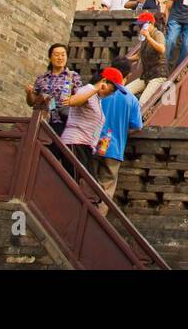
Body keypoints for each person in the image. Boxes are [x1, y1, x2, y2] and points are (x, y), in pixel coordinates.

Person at [92, 67, 142, 211]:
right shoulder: (130, 99)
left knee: (87, 181)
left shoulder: (97, 92)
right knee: (106, 189)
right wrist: (124, 132)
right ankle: (97, 219)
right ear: (127, 76)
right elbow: (137, 126)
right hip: (114, 147)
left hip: (93, 143)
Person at [60, 71, 114, 178]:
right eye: (112, 90)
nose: (111, 94)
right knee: (79, 184)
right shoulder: (88, 90)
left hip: (86, 147)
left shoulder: (98, 99)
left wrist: (98, 141)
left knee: (89, 185)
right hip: (75, 142)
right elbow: (72, 102)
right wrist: (96, 89)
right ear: (103, 81)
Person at [25, 43, 81, 136]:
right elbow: (31, 102)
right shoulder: (42, 78)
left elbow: (79, 98)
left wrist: (71, 100)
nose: (60, 57)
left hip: (63, 121)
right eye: (56, 55)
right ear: (50, 58)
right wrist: (29, 93)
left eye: (63, 55)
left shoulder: (73, 76)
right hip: (42, 120)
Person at [125, 12, 169, 106]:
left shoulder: (157, 34)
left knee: (142, 103)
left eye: (142, 25)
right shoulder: (144, 39)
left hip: (158, 75)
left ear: (150, 24)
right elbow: (138, 56)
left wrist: (148, 37)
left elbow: (162, 49)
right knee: (124, 93)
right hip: (146, 75)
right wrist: (125, 59)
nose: (140, 28)